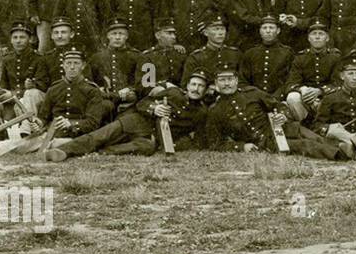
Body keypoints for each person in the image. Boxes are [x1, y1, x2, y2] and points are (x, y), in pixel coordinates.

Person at [44, 71, 211, 162]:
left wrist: (171, 143)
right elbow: (142, 103)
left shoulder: (201, 113)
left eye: (201, 86)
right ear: (187, 86)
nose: (196, 89)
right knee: (101, 136)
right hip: (135, 122)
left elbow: (197, 139)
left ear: (206, 90)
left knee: (145, 148)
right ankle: (63, 151)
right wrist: (155, 108)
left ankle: (95, 152)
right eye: (193, 84)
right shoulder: (174, 93)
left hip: (149, 138)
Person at [206, 66, 342, 159]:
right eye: (222, 80)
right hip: (266, 143)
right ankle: (343, 155)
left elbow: (276, 104)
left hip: (280, 127)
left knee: (314, 137)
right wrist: (241, 146)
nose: (226, 84)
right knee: (305, 145)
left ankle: (350, 148)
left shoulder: (252, 93)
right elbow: (215, 143)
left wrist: (282, 115)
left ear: (236, 81)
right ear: (216, 84)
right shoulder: (215, 111)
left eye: (230, 79)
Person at [18, 49, 107, 155]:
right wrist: (39, 123)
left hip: (78, 136)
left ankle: (50, 148)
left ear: (83, 66)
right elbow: (44, 117)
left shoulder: (92, 90)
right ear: (63, 65)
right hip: (53, 134)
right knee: (17, 147)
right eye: (68, 63)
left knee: (61, 144)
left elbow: (93, 123)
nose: (72, 67)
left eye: (76, 63)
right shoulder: (54, 88)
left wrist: (71, 124)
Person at [0, 21, 47, 135]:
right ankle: (0, 134)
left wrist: (15, 94)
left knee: (26, 99)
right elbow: (4, 83)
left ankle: (27, 134)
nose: (18, 41)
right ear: (11, 40)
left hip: (31, 101)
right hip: (11, 102)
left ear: (30, 39)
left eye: (22, 37)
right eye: (15, 37)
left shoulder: (39, 58)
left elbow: (42, 86)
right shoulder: (7, 59)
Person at [284, 21, 342, 121]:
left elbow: (338, 83)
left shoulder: (335, 57)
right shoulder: (300, 58)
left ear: (327, 38)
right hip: (306, 98)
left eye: (321, 34)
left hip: (327, 96)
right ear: (309, 38)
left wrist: (320, 91)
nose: (317, 37)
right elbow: (291, 83)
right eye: (314, 34)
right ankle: (305, 123)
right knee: (292, 97)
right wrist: (302, 89)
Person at [90, 19, 141, 114]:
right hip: (105, 100)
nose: (117, 37)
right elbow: (90, 80)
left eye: (121, 34)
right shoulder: (97, 57)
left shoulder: (136, 56)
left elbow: (141, 81)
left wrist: (131, 89)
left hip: (129, 101)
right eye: (114, 34)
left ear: (126, 36)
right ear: (108, 36)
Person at [185, 16, 244, 89]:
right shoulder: (196, 57)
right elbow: (186, 84)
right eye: (216, 29)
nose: (220, 33)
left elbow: (243, 81)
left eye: (222, 29)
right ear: (206, 33)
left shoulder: (235, 54)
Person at [242, 16, 295, 96]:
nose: (268, 31)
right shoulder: (251, 53)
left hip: (279, 97)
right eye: (264, 28)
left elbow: (290, 79)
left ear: (278, 31)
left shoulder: (287, 53)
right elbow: (243, 80)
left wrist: (278, 95)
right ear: (260, 31)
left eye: (271, 28)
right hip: (255, 98)